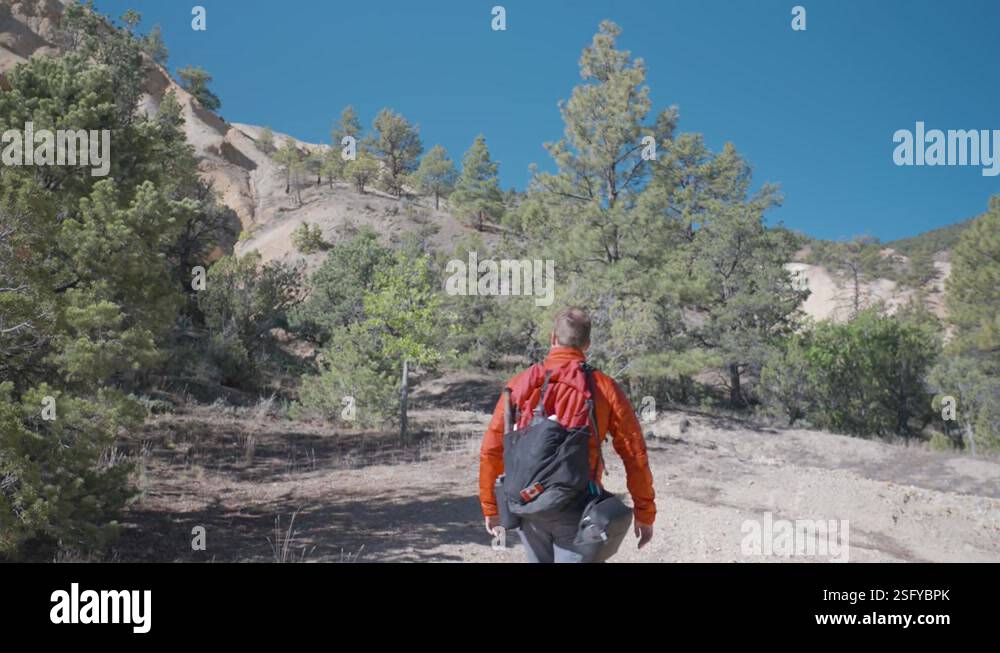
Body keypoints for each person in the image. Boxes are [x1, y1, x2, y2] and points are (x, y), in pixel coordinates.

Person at [478, 307, 656, 563]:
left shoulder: (520, 383)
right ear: (587, 344)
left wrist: (491, 506)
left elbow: (491, 449)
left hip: (528, 505)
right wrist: (644, 512)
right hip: (577, 506)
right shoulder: (603, 387)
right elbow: (634, 452)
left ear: (552, 338)